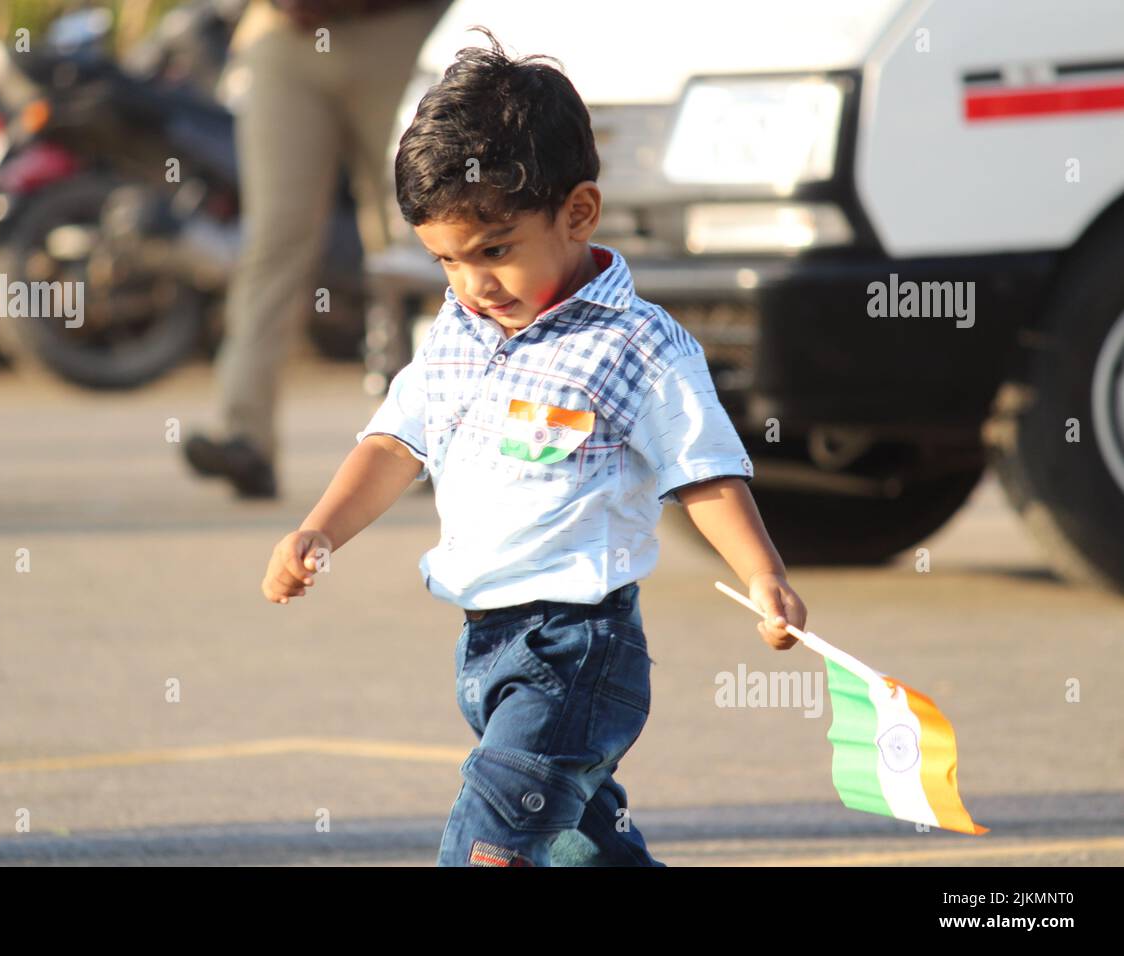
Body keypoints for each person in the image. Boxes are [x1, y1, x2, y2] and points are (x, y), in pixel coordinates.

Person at [260, 29, 810, 866]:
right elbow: (396, 442)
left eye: (495, 251)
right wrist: (319, 531)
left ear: (578, 212)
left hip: (578, 653)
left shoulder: (637, 344)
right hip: (487, 645)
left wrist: (762, 574)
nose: (473, 284)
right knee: (580, 851)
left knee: (487, 845)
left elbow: (703, 471)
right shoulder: (459, 328)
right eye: (446, 260)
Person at [183, 0, 450, 497]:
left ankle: (430, 434)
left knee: (421, 231)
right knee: (273, 239)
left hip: (398, 31)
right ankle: (246, 436)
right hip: (285, 35)